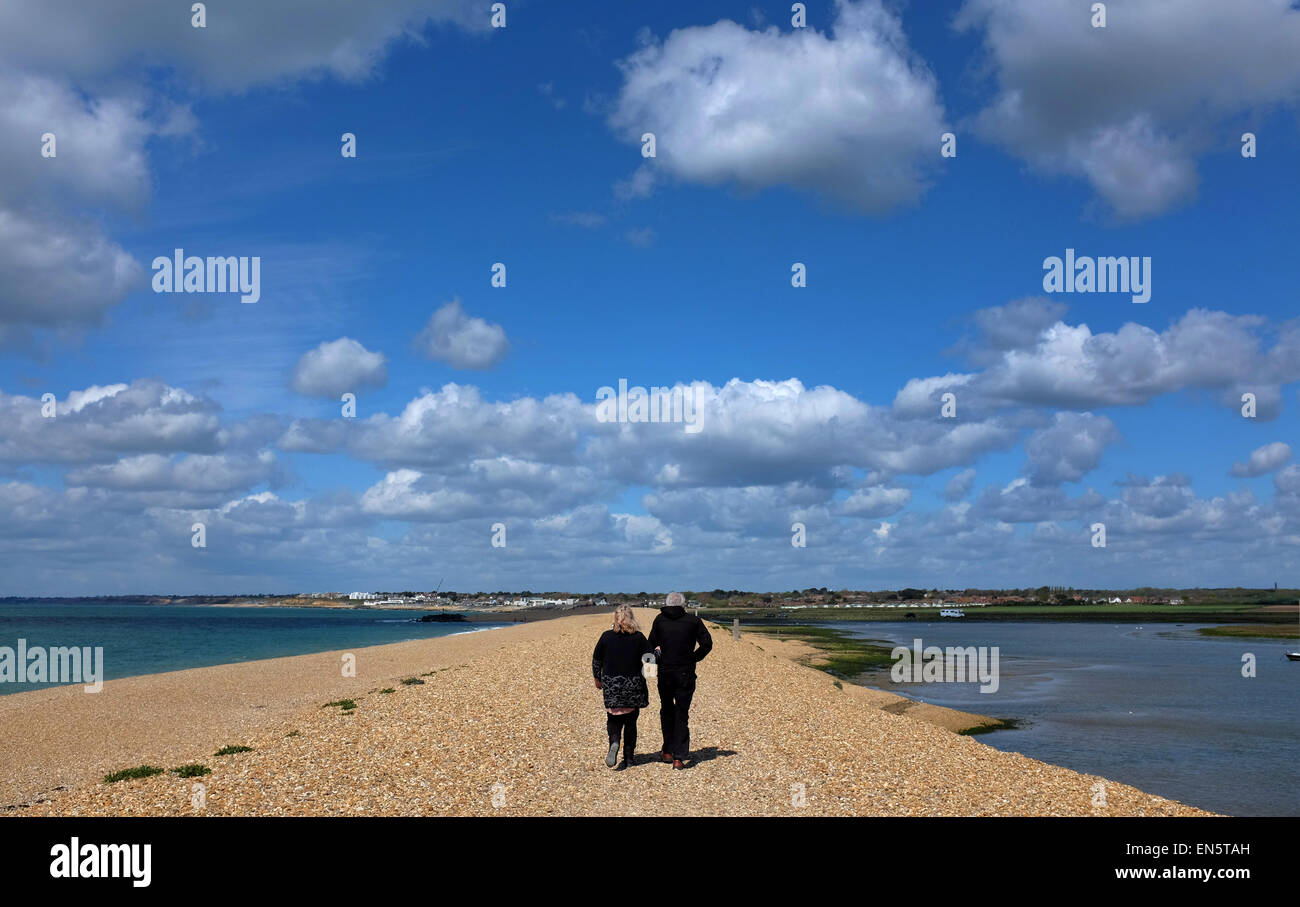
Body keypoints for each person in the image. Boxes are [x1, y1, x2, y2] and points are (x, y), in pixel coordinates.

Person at [647, 591, 712, 769]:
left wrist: (650, 670)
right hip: (685, 673)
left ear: (667, 604)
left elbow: (649, 645)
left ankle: (668, 751)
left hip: (666, 672)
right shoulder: (693, 621)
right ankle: (678, 757)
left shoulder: (660, 620)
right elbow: (707, 644)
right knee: (681, 713)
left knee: (667, 711)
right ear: (683, 604)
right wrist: (693, 658)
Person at [591, 604, 651, 770]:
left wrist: (597, 678)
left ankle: (614, 742)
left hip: (612, 685)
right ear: (631, 618)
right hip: (633, 685)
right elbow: (650, 659)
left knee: (613, 719)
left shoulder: (606, 637)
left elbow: (597, 659)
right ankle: (629, 758)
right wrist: (650, 671)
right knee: (631, 722)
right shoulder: (639, 638)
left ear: (615, 619)